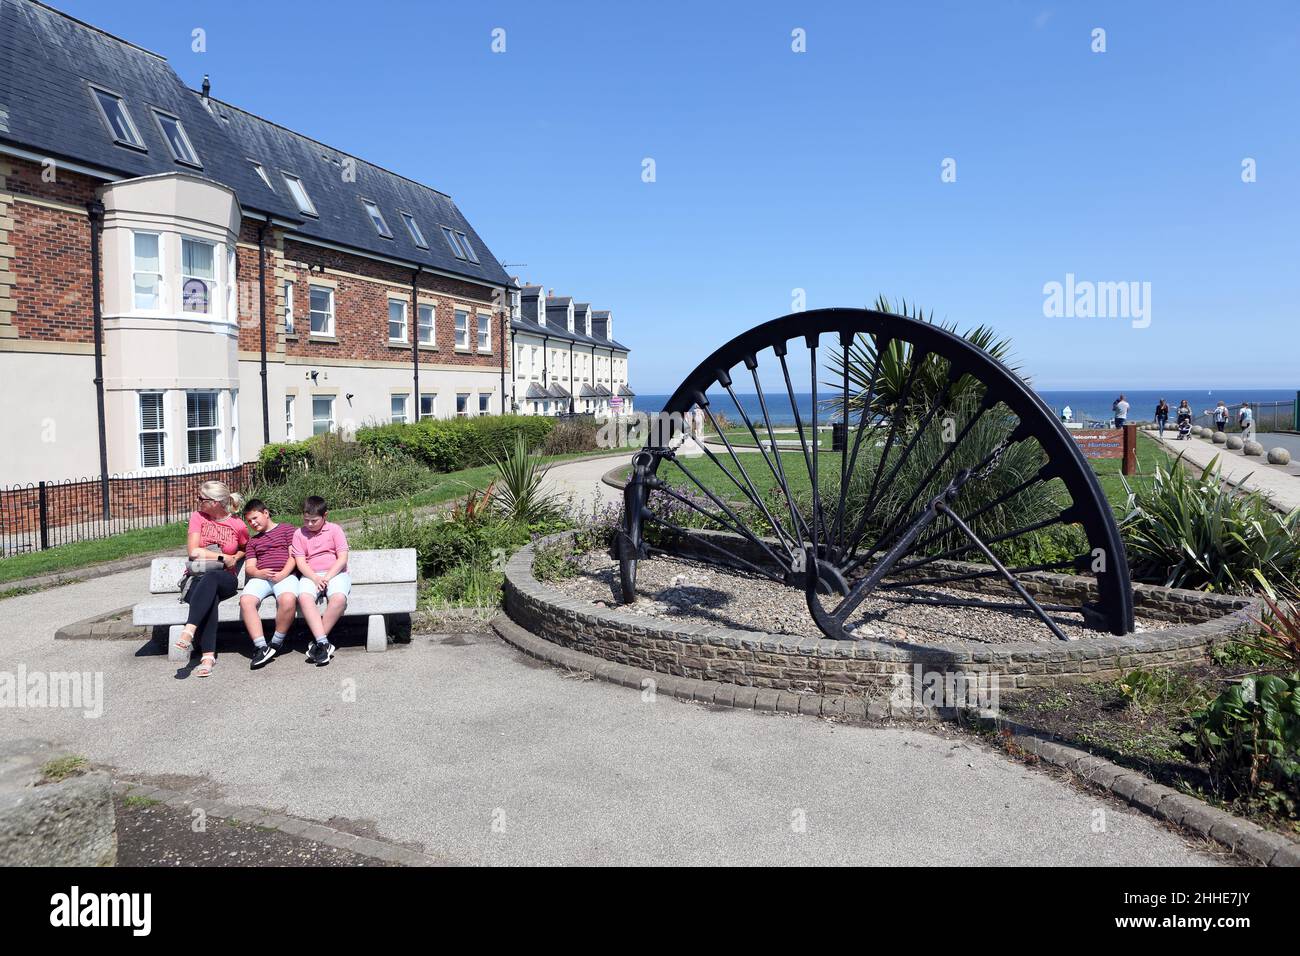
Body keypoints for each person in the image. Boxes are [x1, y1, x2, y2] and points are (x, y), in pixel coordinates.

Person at [176, 480, 249, 677]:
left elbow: (245, 547)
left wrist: (235, 558)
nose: (198, 501)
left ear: (215, 502)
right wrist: (222, 557)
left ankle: (190, 629)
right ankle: (208, 656)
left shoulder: (237, 525)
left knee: (212, 580)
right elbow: (193, 552)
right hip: (196, 578)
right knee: (211, 597)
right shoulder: (197, 518)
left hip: (225, 578)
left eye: (202, 499)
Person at [239, 499, 299, 669]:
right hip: (261, 577)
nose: (253, 523)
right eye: (249, 521)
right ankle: (261, 646)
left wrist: (283, 574)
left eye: (255, 518)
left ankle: (276, 642)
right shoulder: (253, 541)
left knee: (288, 599)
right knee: (246, 601)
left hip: (285, 575)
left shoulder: (287, 529)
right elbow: (250, 567)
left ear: (266, 513)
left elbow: (293, 557)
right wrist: (259, 573)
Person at [291, 496, 350, 666]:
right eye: (306, 520)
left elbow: (342, 558)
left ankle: (317, 643)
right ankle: (323, 643)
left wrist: (327, 577)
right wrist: (315, 578)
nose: (309, 524)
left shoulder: (335, 530)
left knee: (338, 598)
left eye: (314, 521)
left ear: (325, 516)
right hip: (311, 574)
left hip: (336, 573)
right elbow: (300, 562)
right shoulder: (299, 534)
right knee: (304, 597)